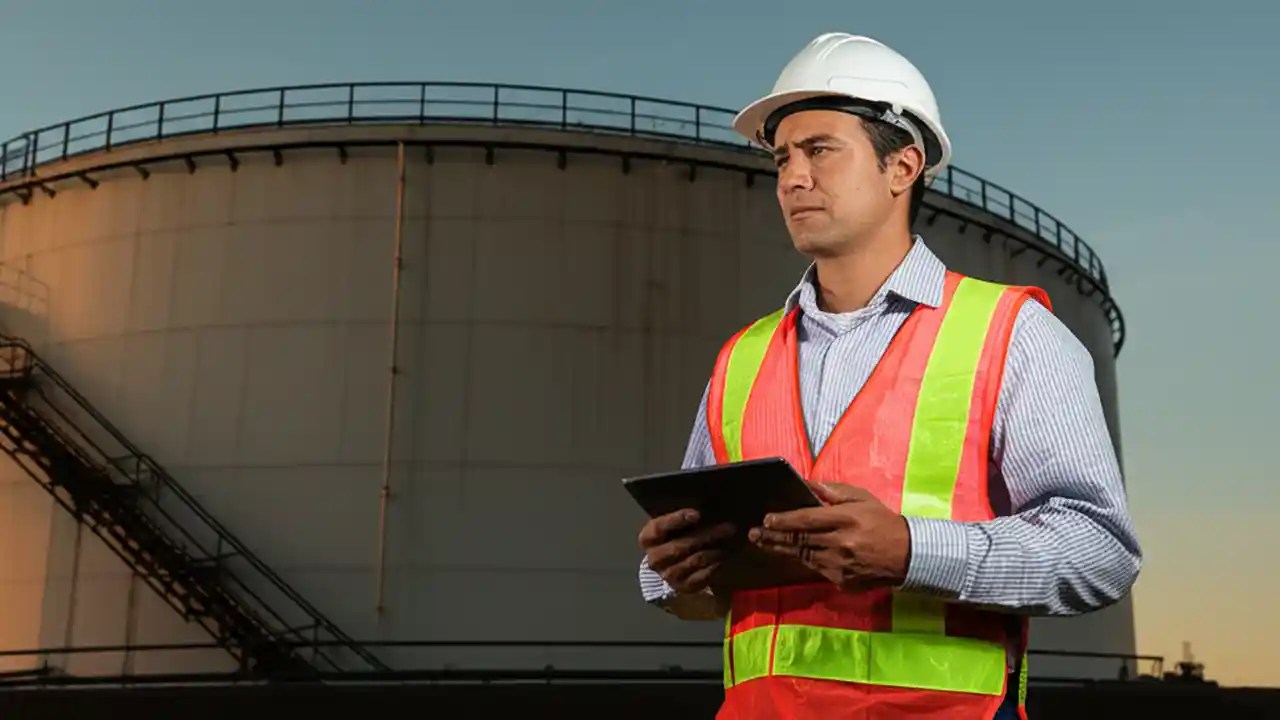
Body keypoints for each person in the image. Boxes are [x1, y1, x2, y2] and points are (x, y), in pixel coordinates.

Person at [636, 33, 1141, 720]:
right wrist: (676, 575)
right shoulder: (742, 358)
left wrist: (911, 550)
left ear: (903, 165)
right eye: (782, 157)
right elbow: (709, 587)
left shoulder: (1011, 335)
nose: (791, 177)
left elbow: (1099, 552)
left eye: (819, 150)